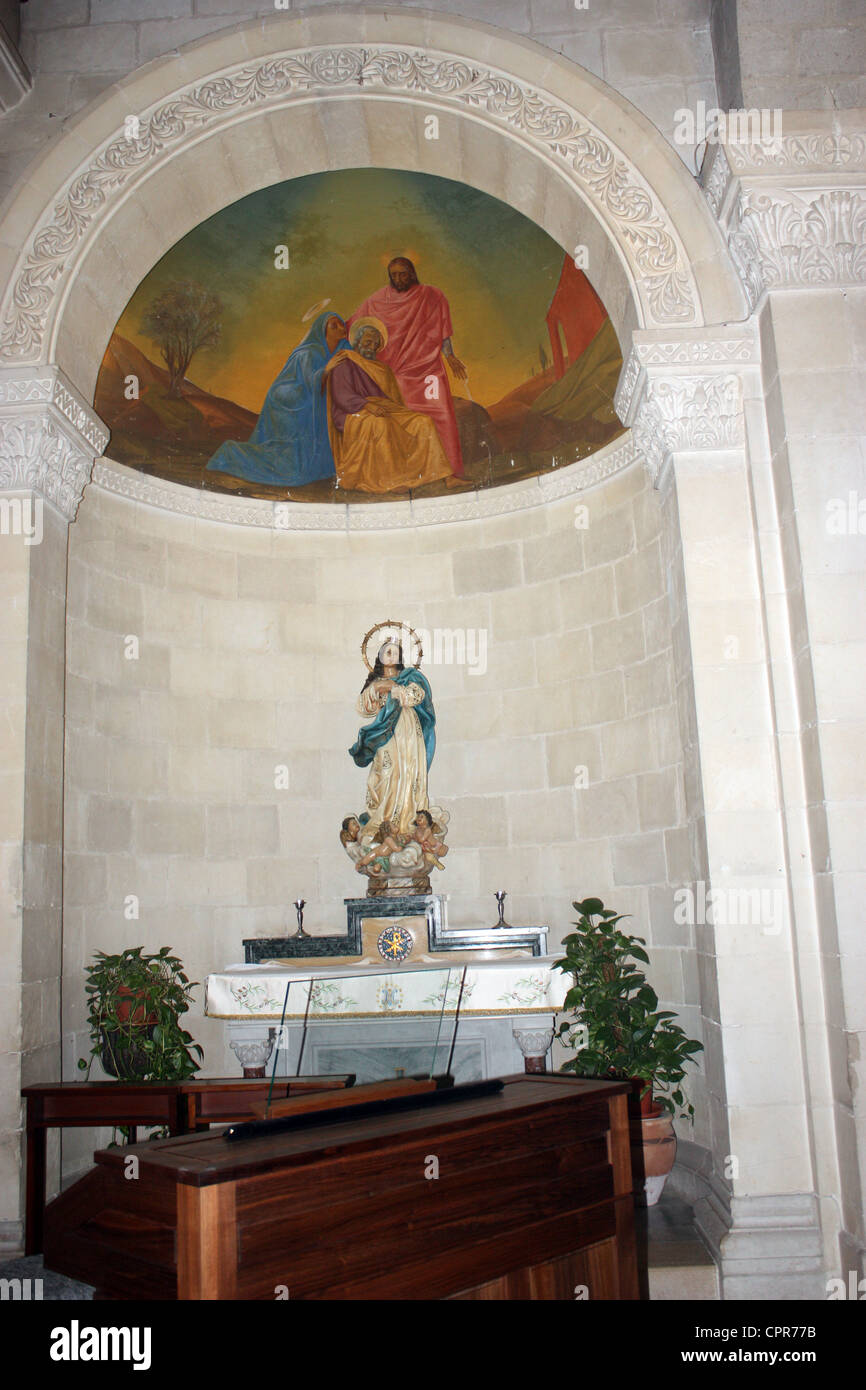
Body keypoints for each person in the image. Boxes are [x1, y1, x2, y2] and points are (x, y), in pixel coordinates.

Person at [348, 257, 467, 478]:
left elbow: (441, 329)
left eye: (403, 273)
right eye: (394, 274)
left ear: (412, 273)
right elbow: (354, 324)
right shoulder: (377, 300)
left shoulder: (432, 296)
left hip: (428, 371)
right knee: (401, 423)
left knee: (441, 416)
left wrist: (449, 356)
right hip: (397, 373)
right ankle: (411, 474)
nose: (398, 278)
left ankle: (449, 474)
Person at [206, 312, 348, 486]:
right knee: (294, 470)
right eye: (334, 326)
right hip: (290, 402)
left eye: (341, 324)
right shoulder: (309, 353)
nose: (341, 328)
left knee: (310, 464)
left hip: (307, 402)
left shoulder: (339, 350)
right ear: (322, 332)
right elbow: (311, 381)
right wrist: (327, 369)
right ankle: (230, 452)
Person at [325, 319, 454, 493]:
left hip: (384, 409)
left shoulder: (382, 369)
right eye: (368, 342)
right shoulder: (344, 362)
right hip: (351, 412)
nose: (371, 347)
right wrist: (367, 405)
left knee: (422, 422)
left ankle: (443, 476)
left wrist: (393, 412)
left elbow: (393, 401)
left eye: (375, 345)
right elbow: (342, 396)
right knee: (381, 425)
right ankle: (390, 481)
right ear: (357, 342)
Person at [349, 638, 435, 838]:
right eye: (387, 651)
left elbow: (418, 695)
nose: (392, 655)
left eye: (396, 652)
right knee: (386, 772)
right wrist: (378, 688)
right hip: (385, 732)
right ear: (379, 656)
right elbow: (363, 707)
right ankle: (383, 820)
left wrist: (394, 688)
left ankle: (407, 822)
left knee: (408, 770)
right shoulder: (375, 683)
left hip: (407, 730)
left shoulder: (409, 677)